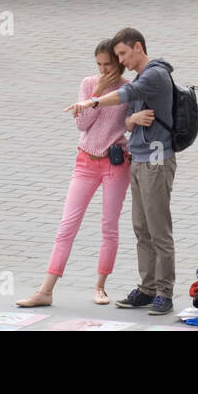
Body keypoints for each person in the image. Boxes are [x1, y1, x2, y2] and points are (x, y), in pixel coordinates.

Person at [65, 27, 177, 316]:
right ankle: (147, 287)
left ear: (138, 47)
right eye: (117, 56)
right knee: (141, 227)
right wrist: (131, 121)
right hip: (138, 159)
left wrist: (92, 100)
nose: (121, 61)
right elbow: (128, 120)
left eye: (123, 54)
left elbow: (127, 93)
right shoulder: (143, 75)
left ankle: (164, 292)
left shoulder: (154, 74)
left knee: (158, 229)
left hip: (155, 160)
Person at [17, 40, 130, 308]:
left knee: (109, 227)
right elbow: (82, 124)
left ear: (118, 63)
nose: (103, 70)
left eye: (108, 65)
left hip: (115, 162)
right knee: (67, 225)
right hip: (86, 161)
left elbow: (129, 126)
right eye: (99, 65)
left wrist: (127, 119)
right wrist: (97, 94)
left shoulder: (128, 90)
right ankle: (46, 289)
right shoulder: (89, 83)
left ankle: (100, 285)